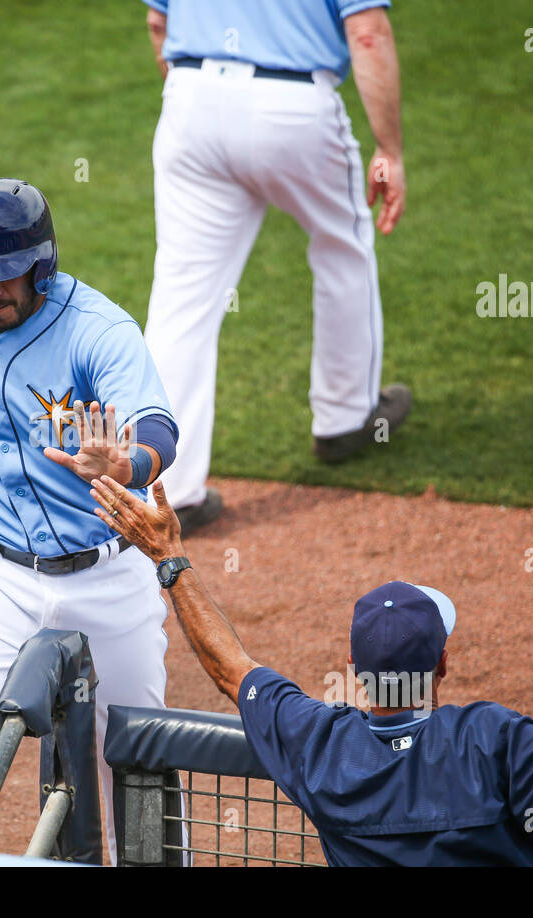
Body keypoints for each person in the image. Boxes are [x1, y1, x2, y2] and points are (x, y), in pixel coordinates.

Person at [88, 474, 533, 865]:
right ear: (442, 663)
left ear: (352, 666)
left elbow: (230, 667)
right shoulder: (490, 741)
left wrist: (170, 557)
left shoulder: (315, 744)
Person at [0, 178, 180, 860]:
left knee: (137, 775)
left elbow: (159, 429)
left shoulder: (97, 330)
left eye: (3, 276)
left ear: (40, 263)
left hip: (106, 583)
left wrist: (126, 465)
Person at [140, 0, 412, 533]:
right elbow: (370, 34)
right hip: (292, 106)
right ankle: (344, 418)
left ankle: (165, 490)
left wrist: (205, 108)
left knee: (182, 294)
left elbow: (158, 23)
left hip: (190, 97)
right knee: (343, 247)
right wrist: (390, 150)